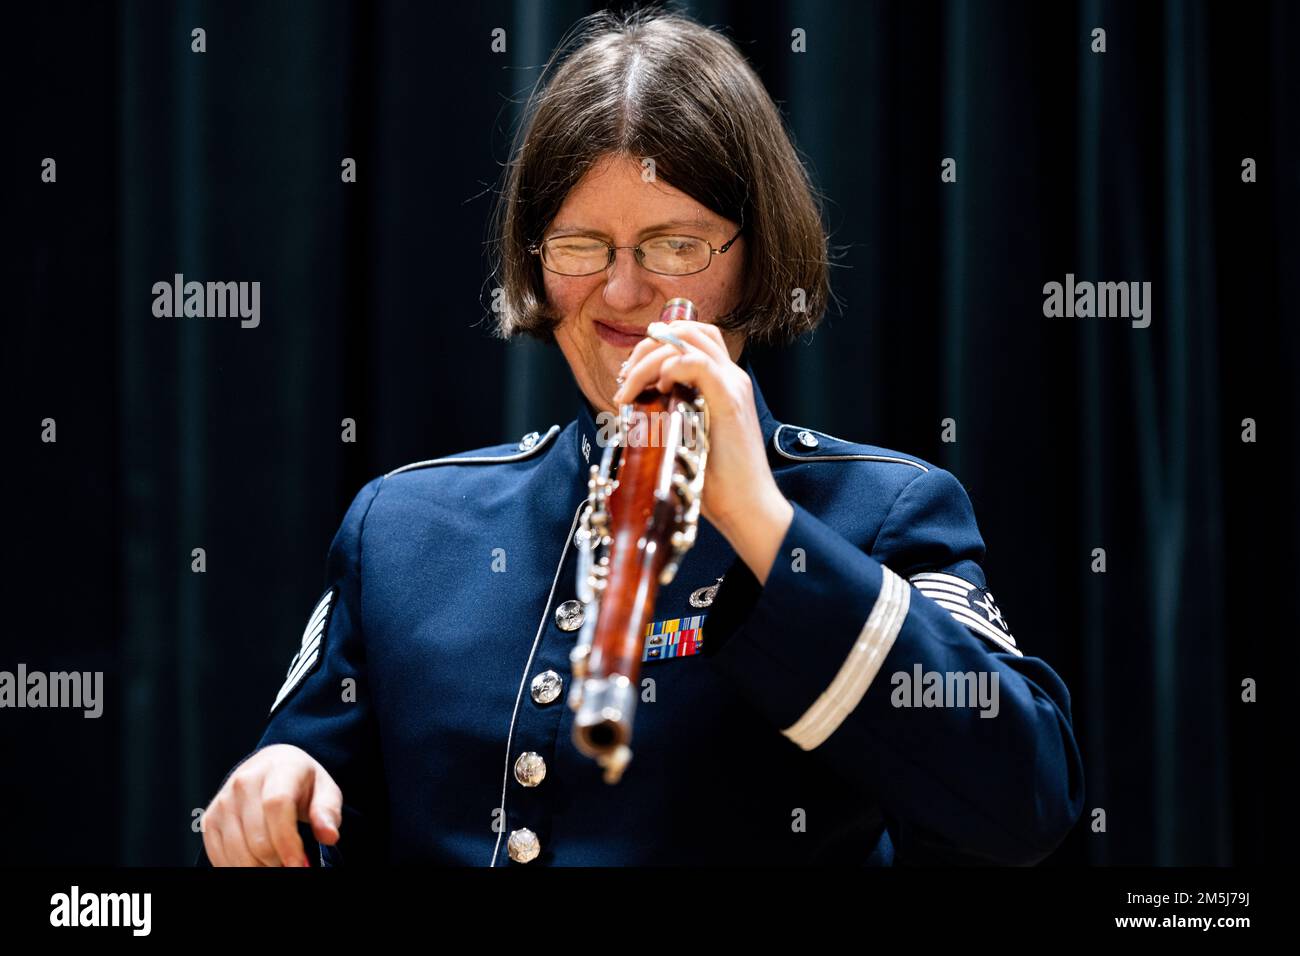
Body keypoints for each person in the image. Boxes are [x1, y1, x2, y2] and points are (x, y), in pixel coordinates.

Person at [197, 9, 1083, 867]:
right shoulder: (402, 528)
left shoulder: (881, 511)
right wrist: (276, 787)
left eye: (673, 245)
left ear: (755, 257)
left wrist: (764, 526)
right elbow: (295, 803)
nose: (621, 294)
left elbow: (1026, 804)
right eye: (581, 245)